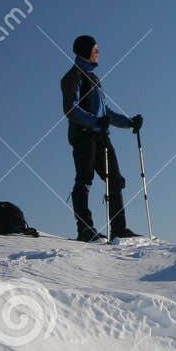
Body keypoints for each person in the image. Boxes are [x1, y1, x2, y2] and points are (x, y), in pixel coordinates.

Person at [61, 34, 143, 242]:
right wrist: (95, 122)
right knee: (84, 179)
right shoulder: (73, 77)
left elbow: (105, 111)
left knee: (115, 180)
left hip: (101, 137)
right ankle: (85, 229)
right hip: (83, 137)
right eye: (95, 50)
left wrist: (129, 122)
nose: (98, 54)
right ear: (85, 51)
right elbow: (71, 109)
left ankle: (119, 229)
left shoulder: (95, 79)